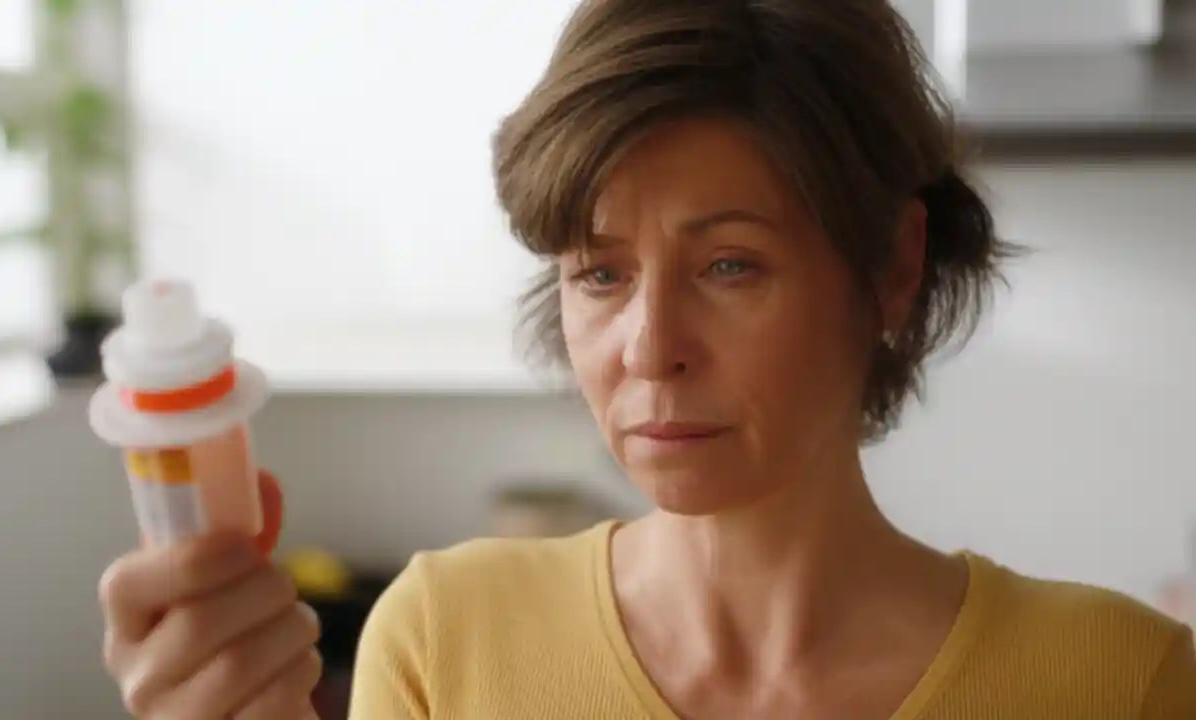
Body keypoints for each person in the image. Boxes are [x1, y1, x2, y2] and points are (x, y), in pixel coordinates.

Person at [98, 1, 1196, 718]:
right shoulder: (444, 637)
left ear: (890, 267)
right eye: (600, 272)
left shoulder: (1115, 680)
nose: (648, 350)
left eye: (727, 266)